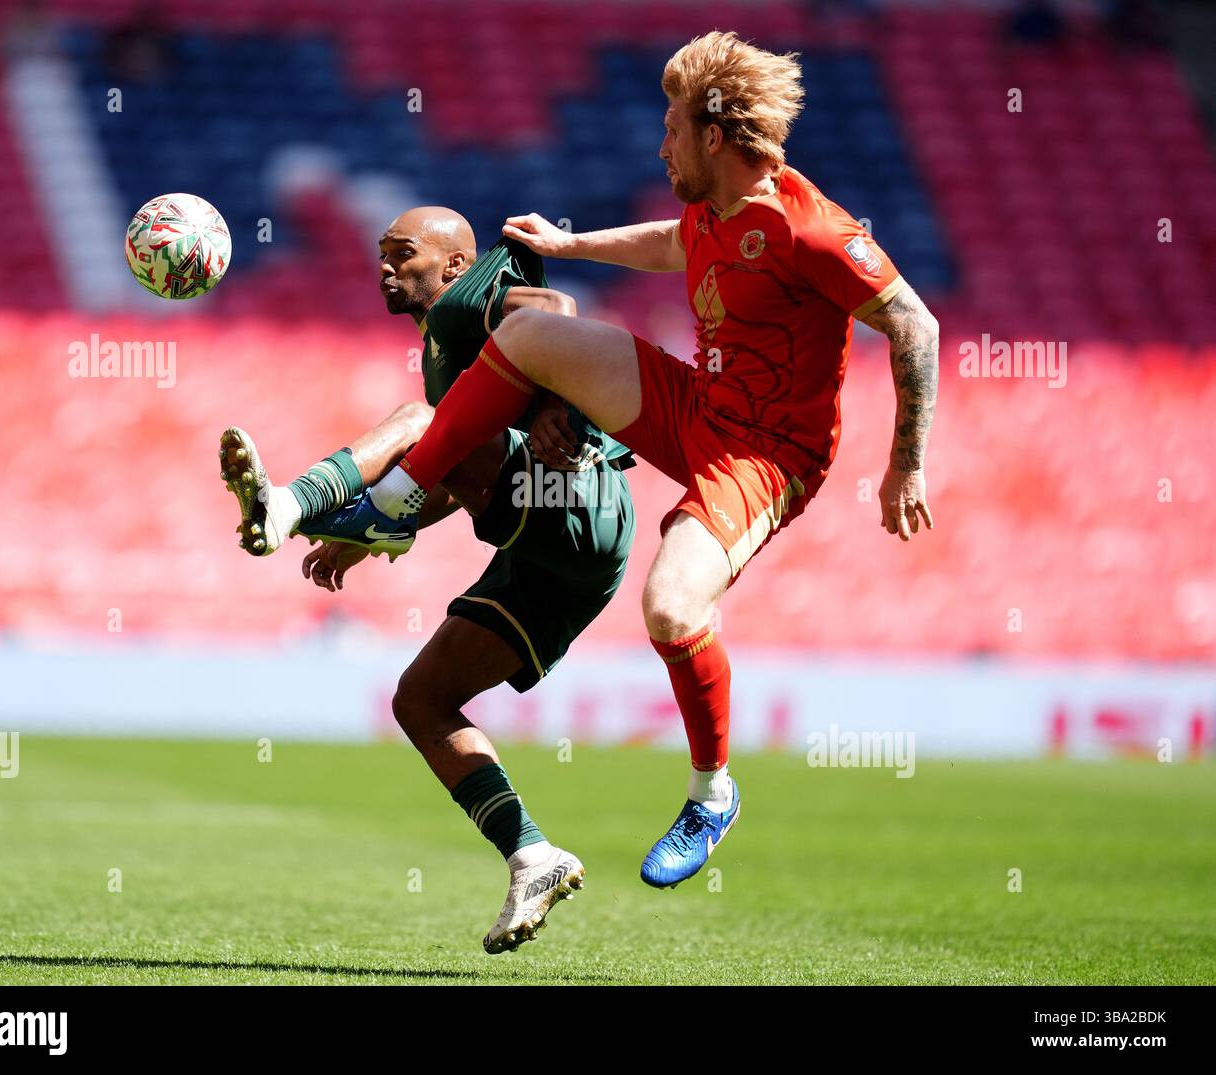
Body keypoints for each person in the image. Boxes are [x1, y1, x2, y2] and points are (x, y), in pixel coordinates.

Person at [321, 33, 941, 889]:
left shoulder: (812, 230)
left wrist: (906, 463)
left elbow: (915, 325)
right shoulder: (713, 212)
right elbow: (670, 242)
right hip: (697, 405)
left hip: (763, 455)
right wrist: (568, 248)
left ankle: (711, 792)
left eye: (673, 130)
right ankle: (398, 498)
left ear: (715, 138)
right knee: (529, 331)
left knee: (670, 605)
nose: (662, 145)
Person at [219, 207, 636, 952]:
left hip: (578, 502)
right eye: (379, 253)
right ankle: (532, 855)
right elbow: (451, 468)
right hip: (554, 558)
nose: (383, 266)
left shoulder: (470, 296)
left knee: (420, 417)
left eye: (400, 253)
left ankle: (288, 505)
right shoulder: (446, 341)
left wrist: (562, 404)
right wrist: (381, 528)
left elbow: (559, 310)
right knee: (422, 699)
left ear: (449, 265)